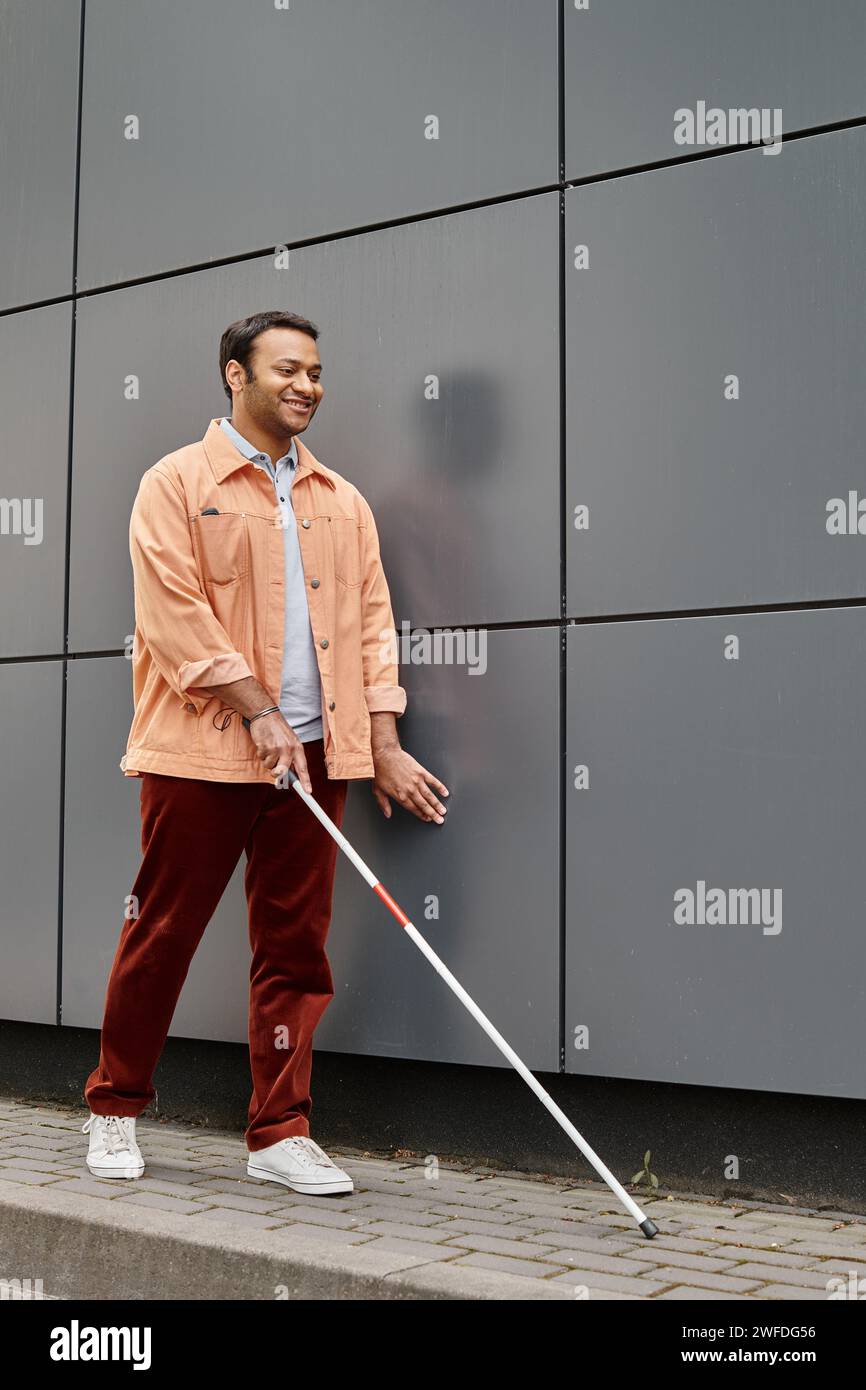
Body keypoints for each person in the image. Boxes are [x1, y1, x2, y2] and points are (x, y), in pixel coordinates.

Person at [81, 309, 449, 1196]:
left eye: (316, 372)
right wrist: (253, 706)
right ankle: (115, 1108)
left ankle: (279, 1131)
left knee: (295, 947)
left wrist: (384, 742)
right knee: (161, 932)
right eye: (287, 369)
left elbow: (369, 629)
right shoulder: (175, 483)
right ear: (235, 376)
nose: (307, 386)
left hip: (315, 759)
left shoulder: (341, 502)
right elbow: (171, 615)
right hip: (201, 756)